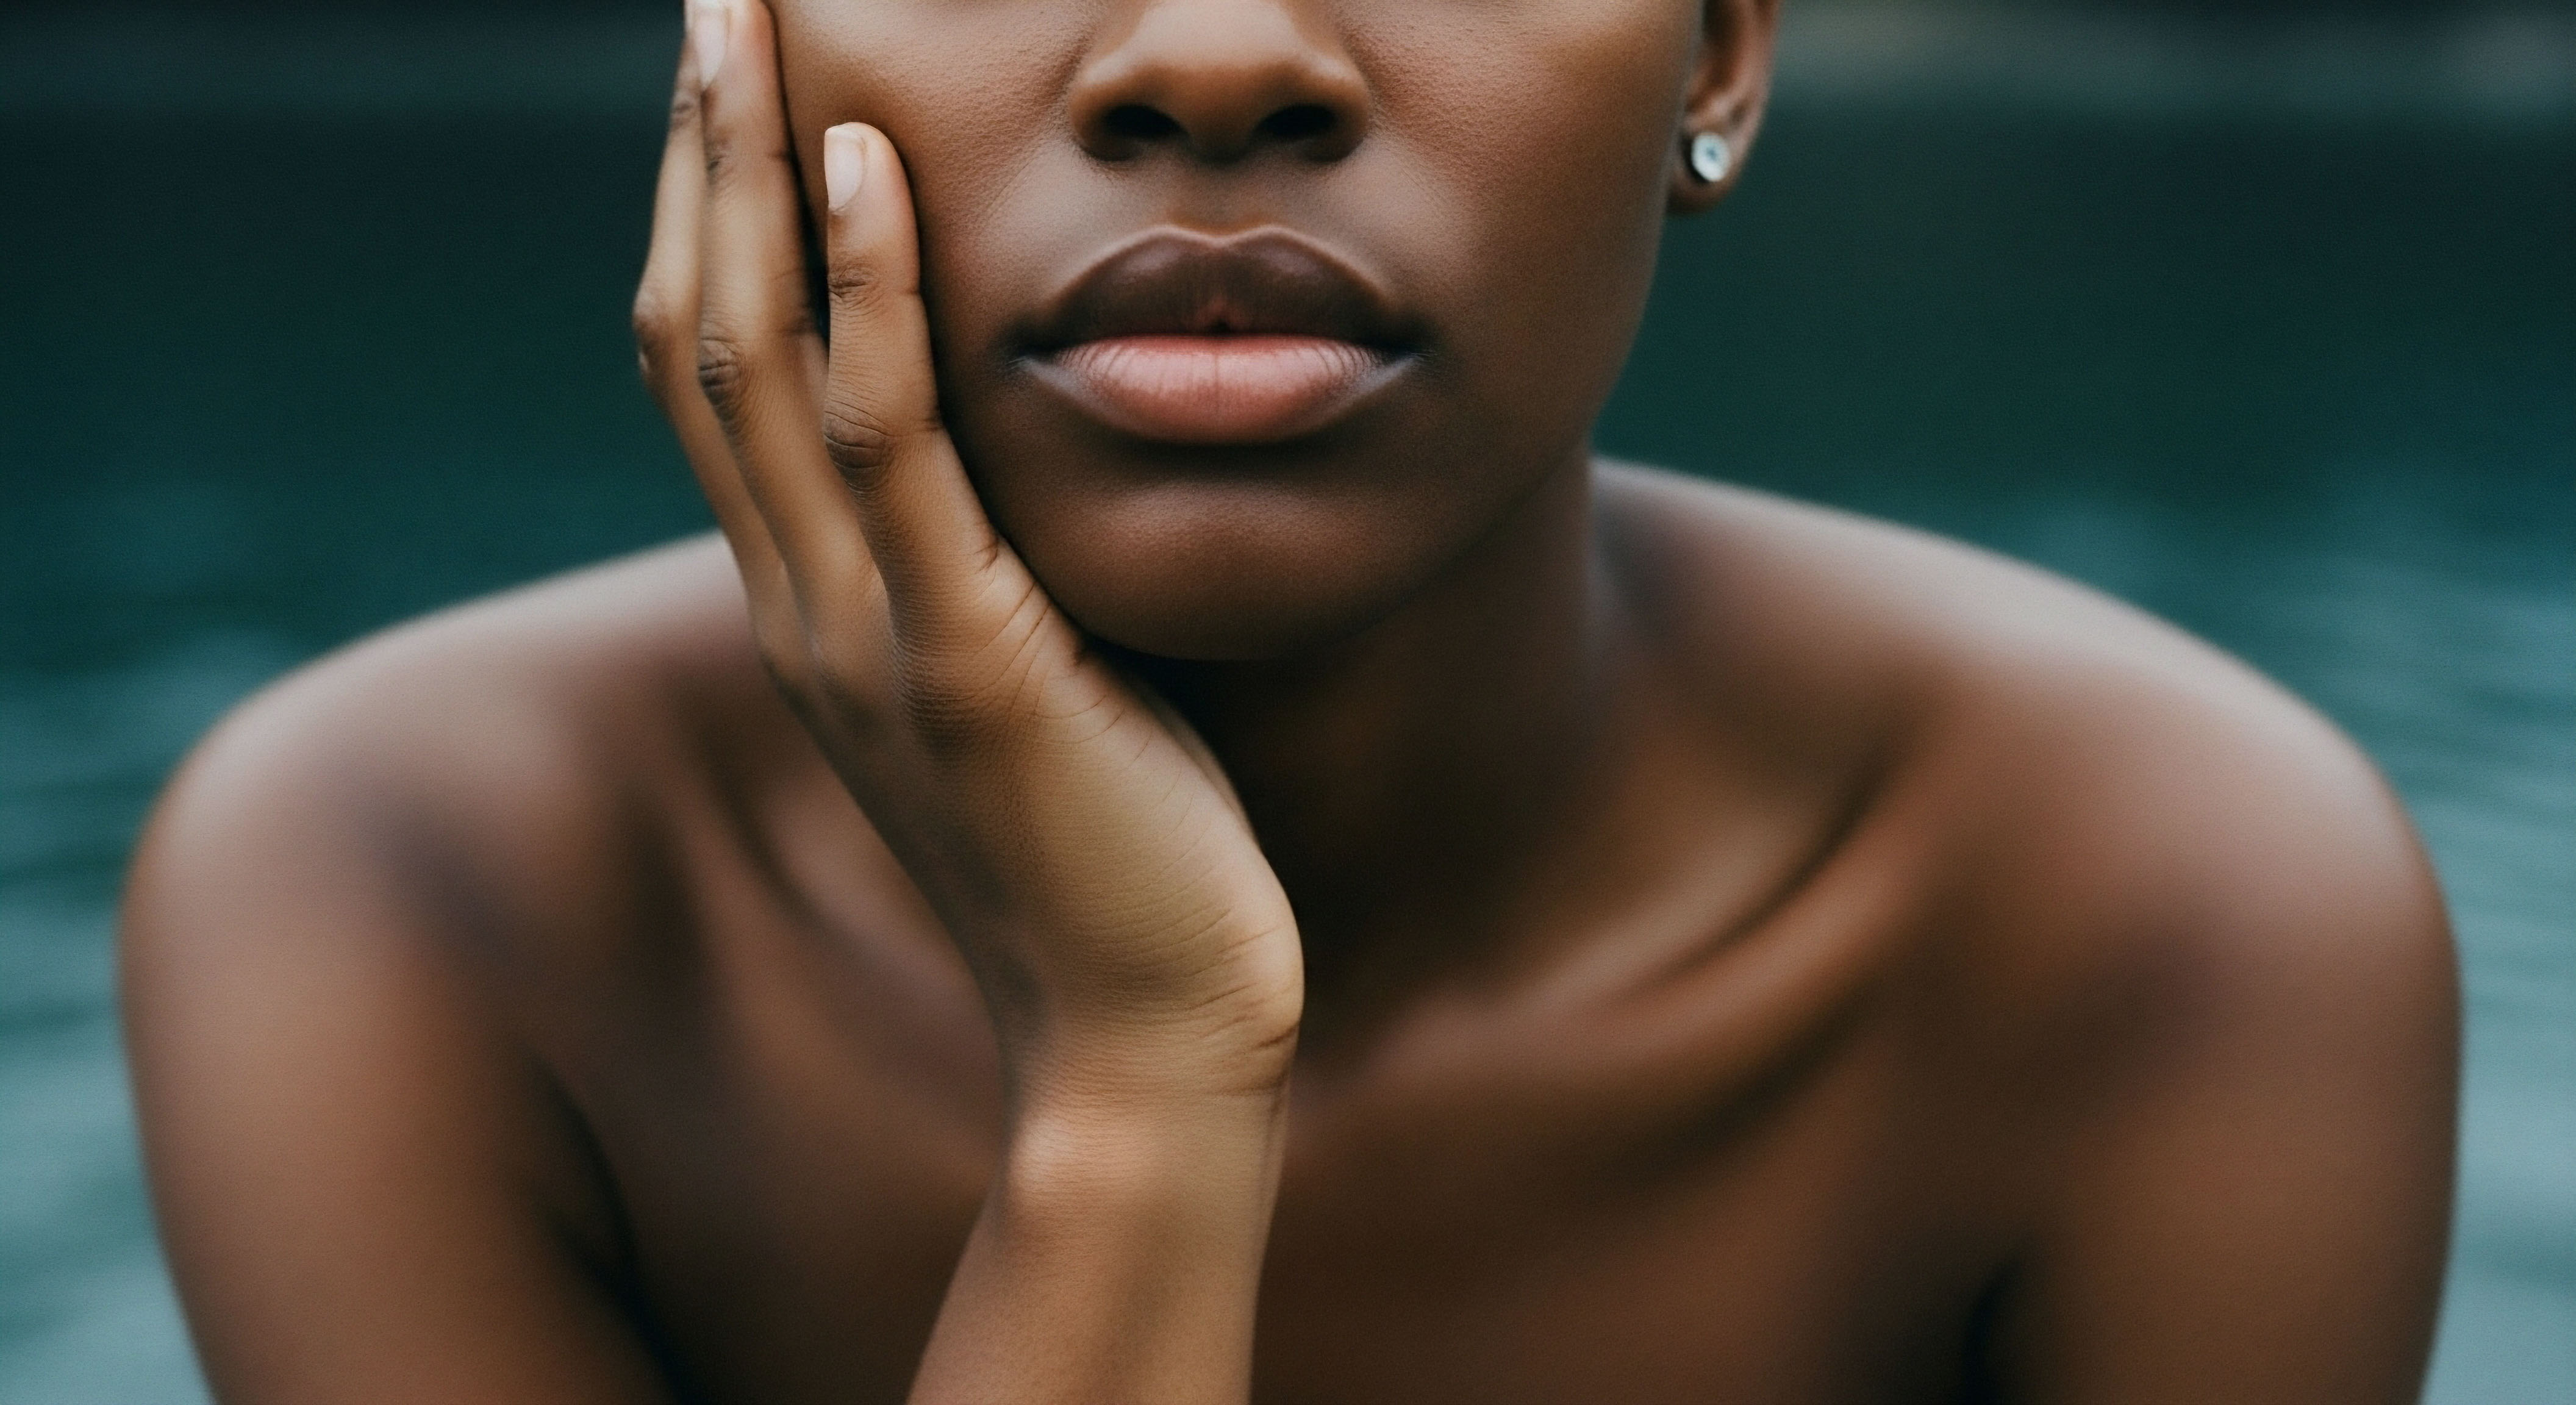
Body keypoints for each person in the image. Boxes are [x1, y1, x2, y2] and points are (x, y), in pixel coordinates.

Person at [119, 0, 2460, 1400]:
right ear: (736, 36)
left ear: (1718, 48)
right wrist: (1140, 1082)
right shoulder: (396, 898)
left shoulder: (2170, 921)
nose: (1219, 49)